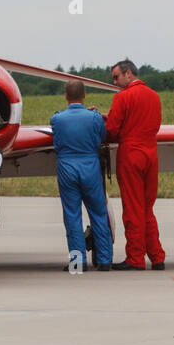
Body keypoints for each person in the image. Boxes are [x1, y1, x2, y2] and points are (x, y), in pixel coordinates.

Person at [104, 59, 166, 270]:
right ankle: (157, 257)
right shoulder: (154, 96)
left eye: (116, 77)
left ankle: (135, 258)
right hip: (151, 154)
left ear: (128, 74)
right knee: (147, 208)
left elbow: (112, 129)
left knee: (132, 209)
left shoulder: (123, 97)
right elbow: (154, 123)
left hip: (131, 155)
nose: (114, 81)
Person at [50, 79, 113, 271]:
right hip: (90, 166)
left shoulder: (57, 119)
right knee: (98, 212)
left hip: (67, 167)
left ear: (66, 96)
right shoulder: (93, 118)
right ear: (84, 95)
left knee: (72, 215)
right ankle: (104, 261)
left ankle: (78, 261)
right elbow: (102, 135)